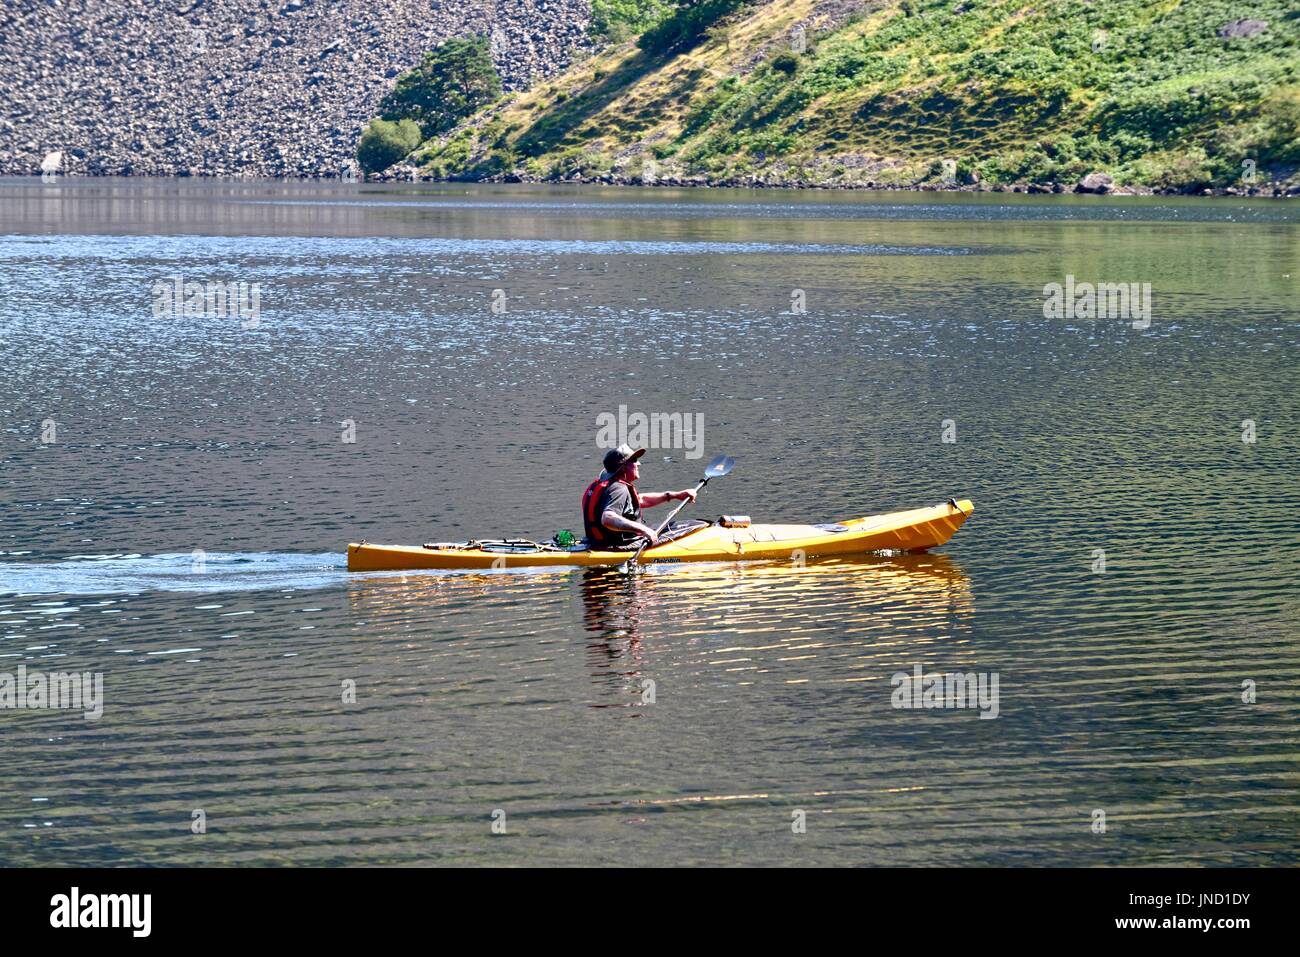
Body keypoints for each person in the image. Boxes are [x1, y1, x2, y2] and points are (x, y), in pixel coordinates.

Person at [582, 445, 697, 550]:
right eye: (634, 460)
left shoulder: (605, 485)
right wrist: (644, 530)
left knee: (679, 525)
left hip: (597, 542)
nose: (639, 464)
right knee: (695, 525)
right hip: (618, 545)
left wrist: (675, 495)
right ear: (623, 467)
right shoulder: (618, 489)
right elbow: (608, 518)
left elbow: (640, 500)